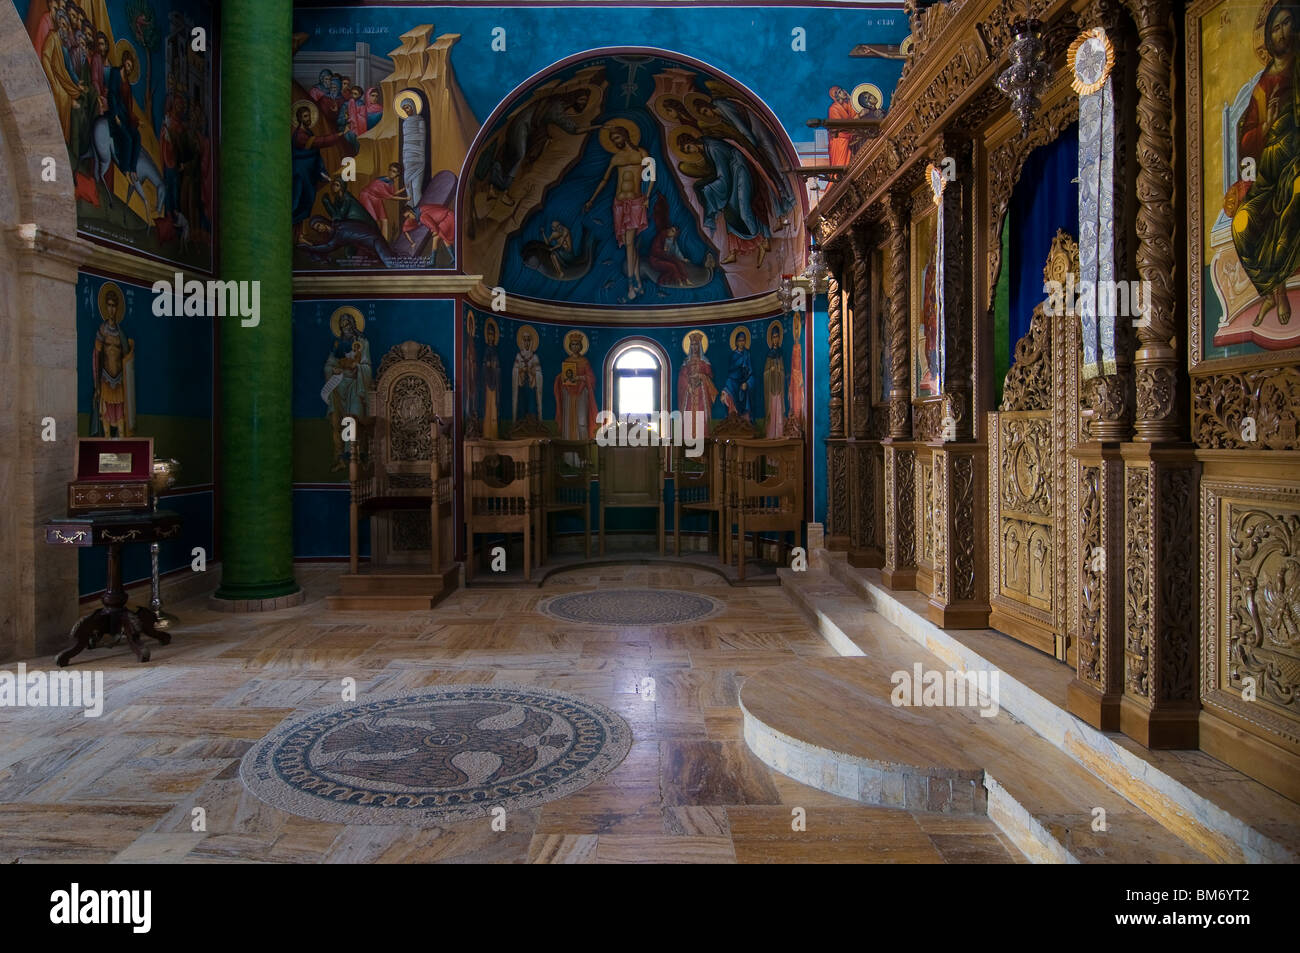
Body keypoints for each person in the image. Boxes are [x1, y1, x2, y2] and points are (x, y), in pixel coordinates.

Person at [1230, 1, 1300, 327]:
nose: (1281, 32)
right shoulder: (1262, 84)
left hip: (1295, 166)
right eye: (1275, 27)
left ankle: (1278, 290)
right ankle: (1273, 288)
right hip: (1267, 175)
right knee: (1241, 225)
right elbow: (1246, 134)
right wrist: (1267, 128)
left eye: (1286, 24)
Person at [677, 131, 771, 266]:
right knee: (729, 212)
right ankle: (733, 252)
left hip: (740, 173)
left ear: (691, 142)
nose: (690, 151)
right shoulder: (707, 147)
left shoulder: (713, 148)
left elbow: (724, 177)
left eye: (688, 148)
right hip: (733, 174)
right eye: (687, 151)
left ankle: (762, 240)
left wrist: (709, 190)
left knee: (744, 209)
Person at [585, 121, 652, 299]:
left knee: (629, 243)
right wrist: (592, 199)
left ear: (625, 135)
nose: (616, 141)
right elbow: (604, 180)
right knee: (629, 242)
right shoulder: (616, 158)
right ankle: (637, 280)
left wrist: (648, 196)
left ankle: (631, 285)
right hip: (619, 204)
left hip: (636, 202)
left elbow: (651, 175)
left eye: (617, 137)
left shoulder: (641, 153)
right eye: (613, 139)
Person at [323, 310, 372, 471]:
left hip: (356, 387)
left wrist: (356, 367)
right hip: (338, 387)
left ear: (353, 324)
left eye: (348, 324)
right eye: (342, 326)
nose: (346, 328)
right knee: (336, 422)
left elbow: (367, 367)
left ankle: (358, 457)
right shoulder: (337, 344)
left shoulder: (362, 342)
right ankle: (340, 459)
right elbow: (329, 365)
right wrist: (333, 370)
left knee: (355, 420)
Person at [91, 284, 135, 437]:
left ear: (117, 308)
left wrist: (130, 348)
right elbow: (96, 359)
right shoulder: (101, 332)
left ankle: (123, 457)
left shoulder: (121, 334)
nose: (111, 309)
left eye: (114, 306)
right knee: (107, 427)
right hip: (105, 381)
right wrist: (96, 385)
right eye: (108, 306)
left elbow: (127, 359)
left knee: (122, 426)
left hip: (120, 384)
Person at [554, 332, 598, 439]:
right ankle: (568, 454)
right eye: (573, 344)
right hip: (568, 394)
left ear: (581, 346)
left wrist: (579, 378)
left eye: (577, 344)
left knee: (581, 420)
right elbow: (563, 378)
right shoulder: (567, 361)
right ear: (570, 346)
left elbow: (591, 379)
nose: (575, 346)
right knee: (568, 421)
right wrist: (561, 377)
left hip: (582, 394)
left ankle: (582, 449)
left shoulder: (584, 361)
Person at [677, 331, 717, 440]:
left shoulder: (705, 362)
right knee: (689, 415)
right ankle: (688, 441)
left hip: (701, 393)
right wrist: (687, 386)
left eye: (696, 345)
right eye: (692, 345)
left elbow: (709, 378)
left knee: (701, 416)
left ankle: (703, 440)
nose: (694, 347)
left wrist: (701, 376)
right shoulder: (686, 362)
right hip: (689, 394)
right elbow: (682, 378)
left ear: (700, 346)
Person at [359, 162, 409, 243]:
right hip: (367, 196)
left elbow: (392, 194)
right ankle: (371, 242)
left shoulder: (391, 182)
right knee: (373, 220)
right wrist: (405, 198)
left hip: (376, 198)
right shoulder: (381, 180)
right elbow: (391, 197)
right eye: (390, 170)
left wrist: (403, 189)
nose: (391, 173)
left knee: (384, 220)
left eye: (394, 171)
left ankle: (384, 242)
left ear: (398, 174)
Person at [720, 327, 753, 421]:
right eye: (739, 340)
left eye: (743, 340)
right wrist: (724, 391)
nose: (741, 342)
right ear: (736, 342)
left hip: (743, 382)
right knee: (727, 394)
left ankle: (745, 421)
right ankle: (732, 419)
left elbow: (751, 373)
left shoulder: (747, 354)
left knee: (745, 394)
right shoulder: (733, 355)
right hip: (734, 381)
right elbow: (731, 373)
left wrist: (747, 383)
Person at [512, 327, 543, 422]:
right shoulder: (518, 356)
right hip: (521, 386)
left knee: (531, 404)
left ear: (531, 342)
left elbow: (539, 373)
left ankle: (532, 424)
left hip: (531, 387)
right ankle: (520, 423)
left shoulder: (534, 357)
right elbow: (514, 371)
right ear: (522, 342)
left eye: (528, 340)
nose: (526, 343)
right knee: (521, 405)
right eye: (525, 340)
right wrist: (521, 370)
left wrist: (532, 372)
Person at [763, 323, 786, 439]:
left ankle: (780, 434)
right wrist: (770, 370)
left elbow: (783, 371)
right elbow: (765, 373)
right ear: (771, 339)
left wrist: (779, 371)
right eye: (773, 337)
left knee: (779, 410)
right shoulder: (769, 354)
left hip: (779, 387)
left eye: (777, 336)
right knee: (772, 410)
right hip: (772, 387)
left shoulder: (781, 353)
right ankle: (771, 434)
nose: (775, 339)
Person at [827, 86, 856, 166]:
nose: (843, 92)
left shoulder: (848, 105)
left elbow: (855, 117)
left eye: (842, 90)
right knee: (841, 163)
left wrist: (850, 99)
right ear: (836, 96)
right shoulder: (833, 109)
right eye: (840, 92)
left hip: (848, 137)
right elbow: (839, 126)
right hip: (839, 140)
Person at [482, 321, 501, 439]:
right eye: (489, 334)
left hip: (495, 379)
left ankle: (494, 432)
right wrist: (488, 365)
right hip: (488, 380)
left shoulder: (495, 350)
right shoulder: (486, 350)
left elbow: (498, 365)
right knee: (488, 405)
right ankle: (487, 432)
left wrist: (496, 367)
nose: (490, 336)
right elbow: (484, 364)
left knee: (494, 405)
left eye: (492, 334)